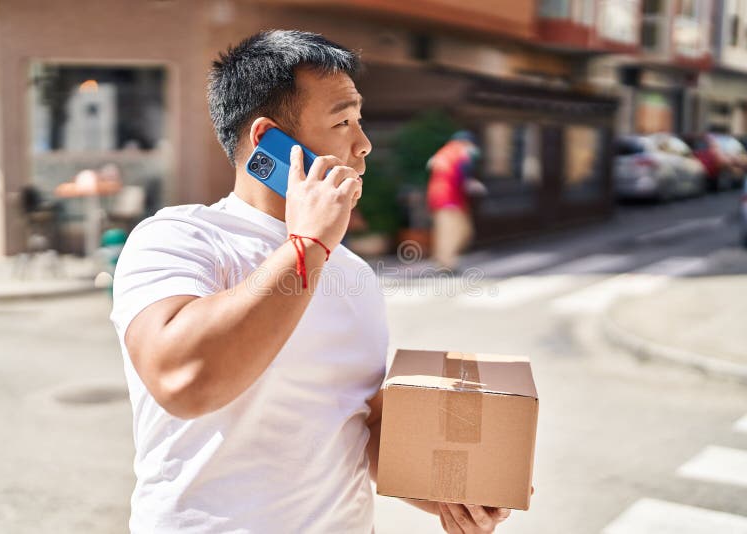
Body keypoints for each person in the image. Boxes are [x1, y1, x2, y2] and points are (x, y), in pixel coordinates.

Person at [109, 30, 514, 533]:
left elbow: (359, 421)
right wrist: (308, 245)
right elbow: (183, 381)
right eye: (343, 121)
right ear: (268, 142)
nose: (363, 145)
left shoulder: (353, 273)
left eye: (359, 121)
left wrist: (445, 491)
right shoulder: (180, 237)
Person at [426, 131, 485, 272]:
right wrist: (473, 184)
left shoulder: (443, 152)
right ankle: (445, 264)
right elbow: (465, 176)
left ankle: (445, 261)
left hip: (440, 197)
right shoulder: (461, 153)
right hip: (449, 198)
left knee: (452, 230)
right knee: (453, 231)